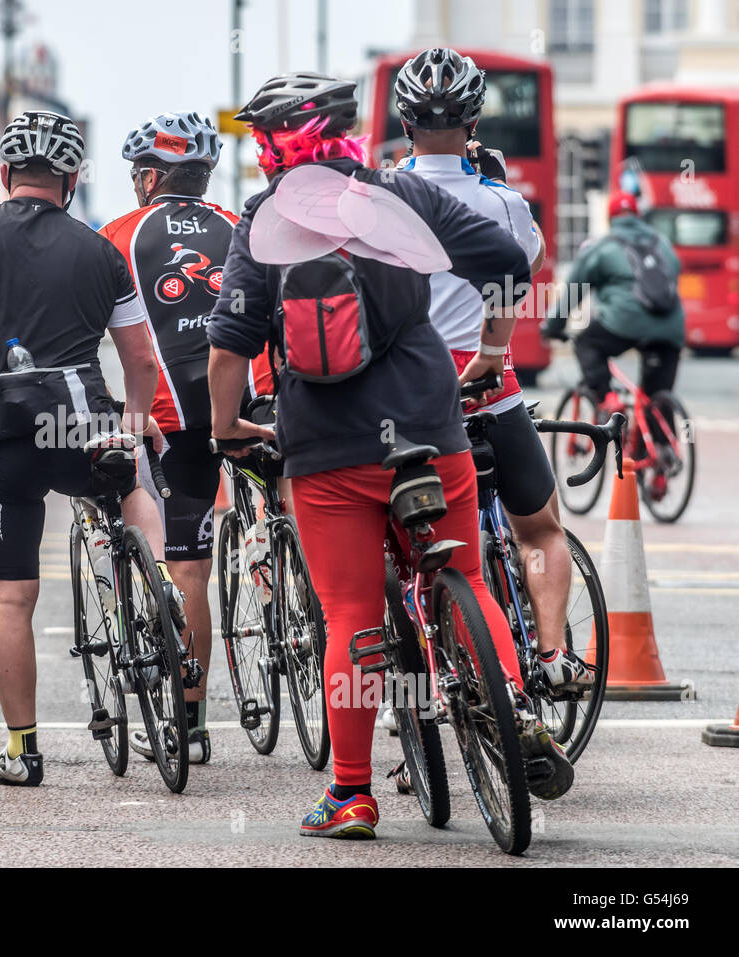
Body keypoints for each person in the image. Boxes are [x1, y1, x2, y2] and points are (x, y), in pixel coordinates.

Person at [206, 72, 573, 839]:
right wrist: (494, 353)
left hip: (325, 449)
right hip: (430, 427)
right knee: (464, 573)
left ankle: (351, 795)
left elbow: (229, 347)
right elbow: (510, 265)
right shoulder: (398, 197)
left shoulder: (264, 220)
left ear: (277, 145)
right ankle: (516, 703)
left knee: (349, 612)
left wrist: (228, 425)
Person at [0, 110, 179, 786]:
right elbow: (140, 358)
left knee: (11, 601)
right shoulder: (99, 249)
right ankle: (158, 578)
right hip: (80, 422)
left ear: (4, 175)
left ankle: (23, 749)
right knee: (131, 478)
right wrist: (137, 420)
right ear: (73, 180)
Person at [394, 48, 590, 693]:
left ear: (405, 120)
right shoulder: (502, 203)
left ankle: (415, 685)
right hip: (484, 383)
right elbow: (524, 267)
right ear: (474, 122)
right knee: (539, 528)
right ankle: (555, 655)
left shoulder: (377, 195)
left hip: (406, 390)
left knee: (398, 548)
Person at [100, 111, 234, 764]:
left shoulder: (118, 235)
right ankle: (198, 716)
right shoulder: (241, 228)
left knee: (175, 564)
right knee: (197, 565)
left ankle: (181, 720)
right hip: (243, 409)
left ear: (150, 176)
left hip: (162, 419)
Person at [542, 191, 685, 489]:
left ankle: (608, 397)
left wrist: (553, 326)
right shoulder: (662, 244)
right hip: (670, 328)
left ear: (610, 218)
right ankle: (662, 461)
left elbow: (573, 289)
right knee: (656, 396)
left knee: (587, 343)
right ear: (637, 215)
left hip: (624, 323)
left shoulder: (603, 246)